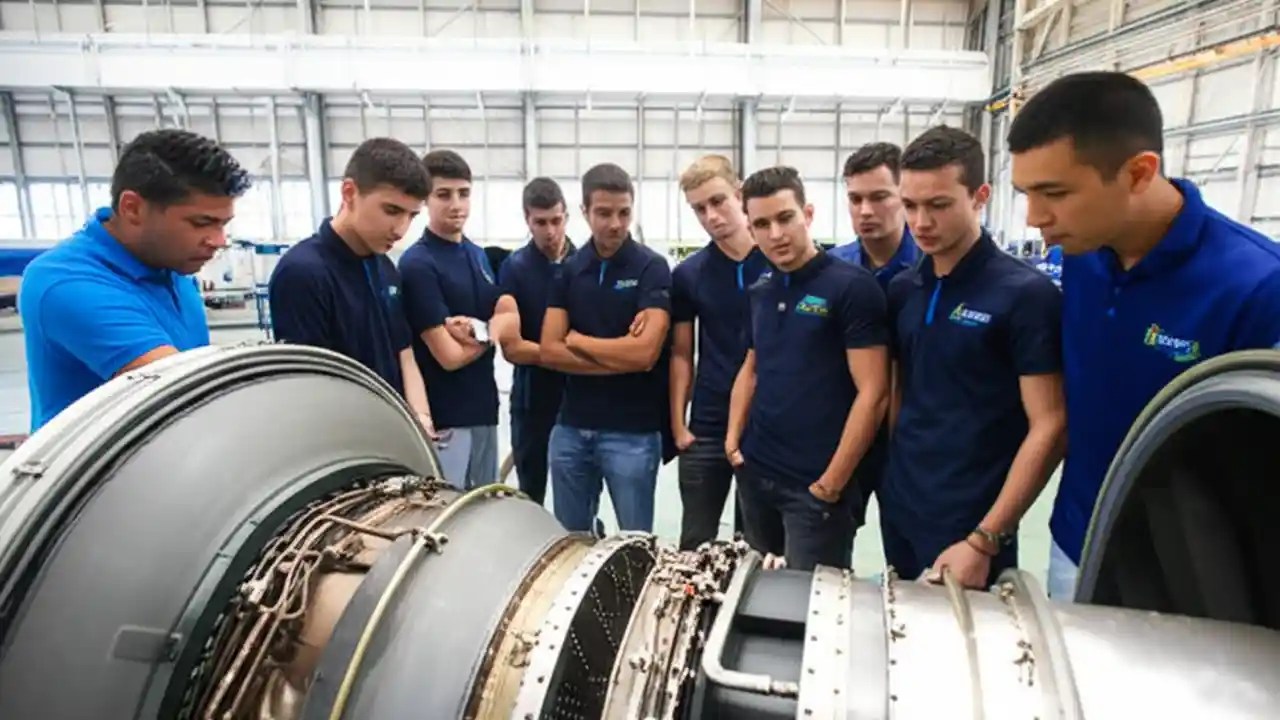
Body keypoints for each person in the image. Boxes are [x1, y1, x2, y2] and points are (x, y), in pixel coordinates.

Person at [1008, 71, 1280, 599]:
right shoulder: (1083, 257)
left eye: (1054, 193)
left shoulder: (1258, 287)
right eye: (1026, 193)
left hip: (1191, 567)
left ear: (1138, 172)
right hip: (1077, 538)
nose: (1035, 218)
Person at [881, 126, 1066, 590]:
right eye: (910, 205)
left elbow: (1052, 424)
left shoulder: (1026, 296)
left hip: (972, 520)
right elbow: (901, 389)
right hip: (902, 505)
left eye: (938, 205)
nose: (920, 221)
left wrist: (984, 538)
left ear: (980, 196)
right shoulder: (905, 287)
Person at [20, 128, 250, 431]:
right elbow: (184, 392)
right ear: (133, 208)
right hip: (100, 472)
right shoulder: (67, 283)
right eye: (201, 223)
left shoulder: (171, 264)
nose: (219, 241)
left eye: (224, 224)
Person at [725, 166, 890, 572]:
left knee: (813, 610)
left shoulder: (851, 287)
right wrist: (733, 443)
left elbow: (875, 392)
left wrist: (831, 484)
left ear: (808, 214)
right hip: (757, 473)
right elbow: (752, 367)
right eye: (761, 224)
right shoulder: (761, 290)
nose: (776, 235)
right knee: (754, 595)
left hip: (814, 489)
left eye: (785, 218)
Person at [268, 138, 436, 436]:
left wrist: (420, 419)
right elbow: (310, 387)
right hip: (344, 443)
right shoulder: (303, 272)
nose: (400, 230)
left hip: (393, 435)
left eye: (411, 216)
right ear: (349, 193)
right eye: (391, 210)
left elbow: (404, 352)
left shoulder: (384, 267)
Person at [540, 163, 672, 533]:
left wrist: (579, 342)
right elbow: (550, 351)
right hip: (570, 429)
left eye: (624, 212)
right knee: (571, 542)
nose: (615, 223)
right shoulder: (567, 271)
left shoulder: (652, 268)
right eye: (604, 213)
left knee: (635, 542)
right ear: (584, 212)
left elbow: (645, 354)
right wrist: (620, 356)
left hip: (632, 433)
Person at [669, 155, 772, 550]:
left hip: (764, 429)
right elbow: (682, 353)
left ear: (739, 193)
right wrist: (679, 424)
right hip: (708, 425)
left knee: (759, 546)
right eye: (699, 209)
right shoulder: (689, 275)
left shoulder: (777, 263)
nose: (711, 216)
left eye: (718, 201)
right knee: (695, 542)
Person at [399, 149, 516, 488]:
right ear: (425, 200)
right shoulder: (418, 265)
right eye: (444, 194)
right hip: (446, 420)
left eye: (464, 193)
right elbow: (448, 357)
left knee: (485, 510)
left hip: (484, 412)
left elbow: (508, 316)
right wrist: (492, 333)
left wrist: (483, 333)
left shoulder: (477, 255)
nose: (456, 204)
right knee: (448, 517)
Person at [495, 177, 577, 505]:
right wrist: (567, 353)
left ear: (567, 216)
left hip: (578, 401)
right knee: (531, 492)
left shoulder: (586, 264)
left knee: (579, 495)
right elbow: (512, 348)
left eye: (556, 221)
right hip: (532, 401)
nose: (549, 231)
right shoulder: (515, 268)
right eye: (540, 222)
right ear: (527, 219)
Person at [829, 142, 920, 291]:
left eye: (879, 197)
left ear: (905, 197)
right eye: (856, 199)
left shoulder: (931, 267)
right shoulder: (832, 267)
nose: (865, 211)